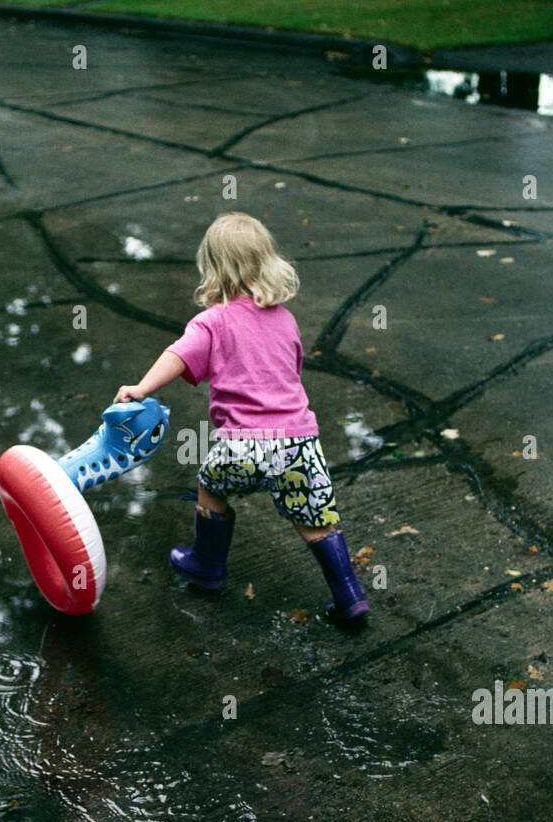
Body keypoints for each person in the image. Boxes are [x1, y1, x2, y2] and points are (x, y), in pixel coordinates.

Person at [113, 212, 368, 622]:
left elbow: (177, 355)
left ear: (212, 268)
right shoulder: (285, 319)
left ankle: (208, 566)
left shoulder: (212, 321)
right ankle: (350, 596)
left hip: (244, 444)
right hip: (299, 442)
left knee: (211, 488)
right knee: (316, 522)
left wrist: (141, 389)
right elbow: (292, 370)